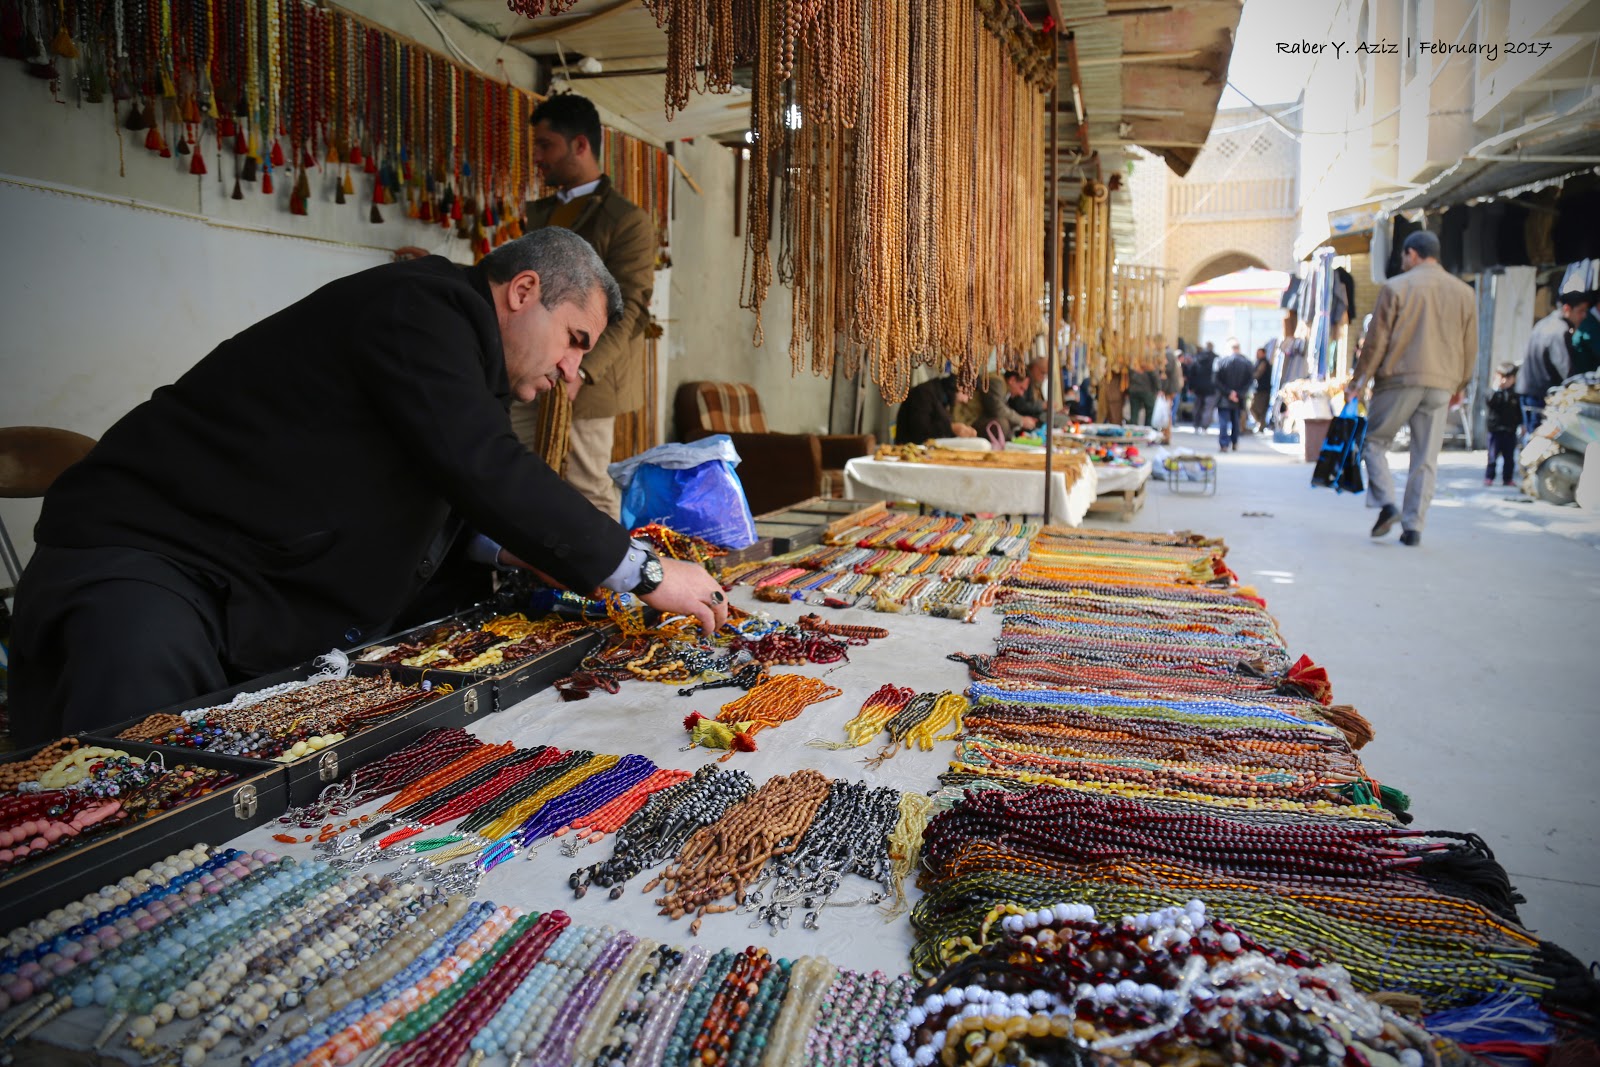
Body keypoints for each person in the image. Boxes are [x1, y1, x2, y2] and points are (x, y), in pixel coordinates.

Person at [8, 230, 729, 744]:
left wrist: (518, 555)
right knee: (116, 807)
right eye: (575, 340)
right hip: (147, 570)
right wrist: (646, 571)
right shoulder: (423, 310)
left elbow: (429, 491)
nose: (574, 375)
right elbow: (483, 466)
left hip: (224, 582)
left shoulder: (454, 357)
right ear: (523, 290)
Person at [510, 93, 657, 520]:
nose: (537, 157)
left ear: (580, 146)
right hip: (526, 369)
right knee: (517, 478)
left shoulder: (626, 220)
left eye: (545, 144)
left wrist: (583, 369)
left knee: (587, 489)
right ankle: (524, 585)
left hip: (586, 382)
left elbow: (630, 309)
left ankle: (607, 588)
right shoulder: (540, 213)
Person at [1345, 230, 1477, 547]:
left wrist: (1358, 383)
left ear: (1412, 254)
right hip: (1442, 384)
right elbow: (1470, 346)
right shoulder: (1464, 292)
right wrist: (1460, 383)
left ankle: (1388, 504)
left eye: (1403, 256)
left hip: (1399, 379)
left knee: (1374, 443)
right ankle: (1413, 527)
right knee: (1426, 456)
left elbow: (1376, 342)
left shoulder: (1396, 287)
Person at [1516, 290, 1591, 430]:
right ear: (1567, 309)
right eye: (1581, 311)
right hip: (1540, 393)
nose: (1584, 315)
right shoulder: (1559, 330)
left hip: (1528, 389)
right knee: (1538, 441)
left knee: (1532, 438)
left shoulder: (1546, 323)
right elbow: (1566, 369)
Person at [953, 372, 1036, 440]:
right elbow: (997, 409)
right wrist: (1021, 420)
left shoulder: (1004, 386)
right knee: (1002, 425)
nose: (1021, 394)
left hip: (975, 418)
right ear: (1012, 380)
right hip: (967, 419)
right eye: (1021, 388)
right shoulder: (996, 382)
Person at [895, 375, 975, 443]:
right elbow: (919, 431)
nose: (965, 400)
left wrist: (959, 431)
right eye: (966, 394)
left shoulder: (943, 399)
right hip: (911, 451)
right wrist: (951, 428)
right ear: (958, 387)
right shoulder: (923, 393)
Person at [1484, 362, 1521, 488]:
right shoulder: (1492, 392)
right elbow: (1490, 402)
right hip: (1495, 430)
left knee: (1509, 458)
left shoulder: (1515, 393)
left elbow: (1519, 411)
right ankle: (1489, 477)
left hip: (1510, 430)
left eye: (1508, 378)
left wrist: (1522, 425)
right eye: (1502, 377)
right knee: (1492, 456)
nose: (1505, 381)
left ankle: (1507, 478)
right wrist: (1496, 389)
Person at [1212, 341, 1255, 452]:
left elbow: (1215, 380)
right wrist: (1238, 393)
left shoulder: (1221, 362)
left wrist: (1228, 393)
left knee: (1223, 422)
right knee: (1236, 421)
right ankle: (1235, 442)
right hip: (1238, 399)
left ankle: (1224, 444)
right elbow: (1250, 381)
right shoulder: (1247, 363)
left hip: (1224, 398)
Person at [1188, 343, 1218, 433]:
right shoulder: (1216, 358)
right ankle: (1204, 426)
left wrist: (1191, 386)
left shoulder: (1198, 358)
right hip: (1211, 387)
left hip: (1198, 387)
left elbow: (1191, 373)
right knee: (1208, 408)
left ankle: (1196, 424)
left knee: (1198, 406)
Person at [1125, 356, 1161, 426]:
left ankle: (1133, 430)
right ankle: (1148, 430)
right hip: (1147, 391)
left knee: (1134, 413)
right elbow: (1154, 376)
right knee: (1149, 413)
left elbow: (1128, 376)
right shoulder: (1149, 361)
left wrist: (1128, 391)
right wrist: (1158, 388)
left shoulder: (1133, 361)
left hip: (1134, 390)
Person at [1249, 346, 1274, 433]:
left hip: (1263, 390)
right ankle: (1261, 424)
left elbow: (1258, 374)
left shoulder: (1264, 363)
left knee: (1257, 408)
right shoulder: (1259, 362)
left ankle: (1261, 424)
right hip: (1260, 389)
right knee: (1258, 409)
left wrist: (1250, 377)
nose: (1257, 355)